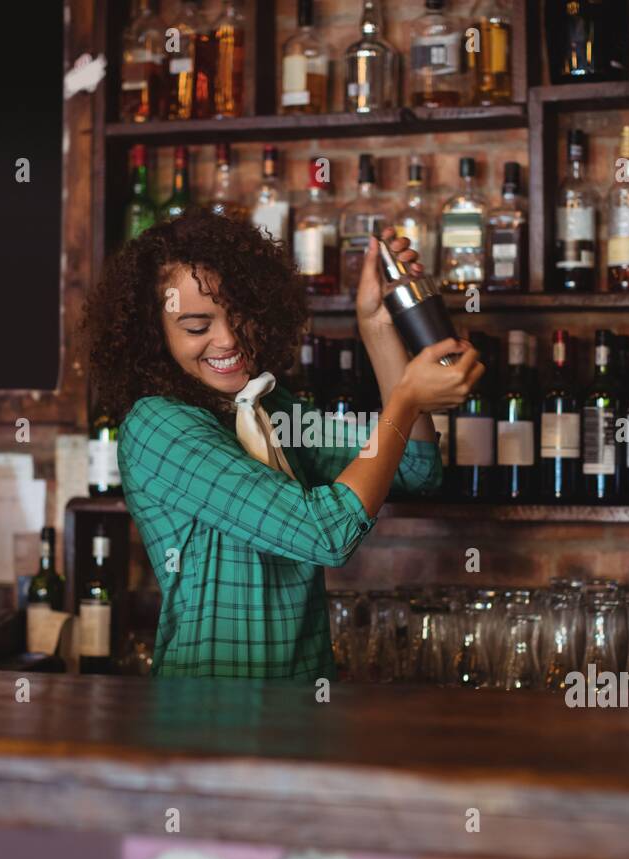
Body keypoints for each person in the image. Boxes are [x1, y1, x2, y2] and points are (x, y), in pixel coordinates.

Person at [88, 210, 483, 679]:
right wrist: (406, 399)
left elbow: (415, 467)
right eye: (197, 327)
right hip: (209, 712)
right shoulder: (159, 427)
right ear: (155, 334)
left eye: (238, 315)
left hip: (304, 709)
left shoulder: (267, 406)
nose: (228, 339)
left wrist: (376, 326)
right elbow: (325, 535)